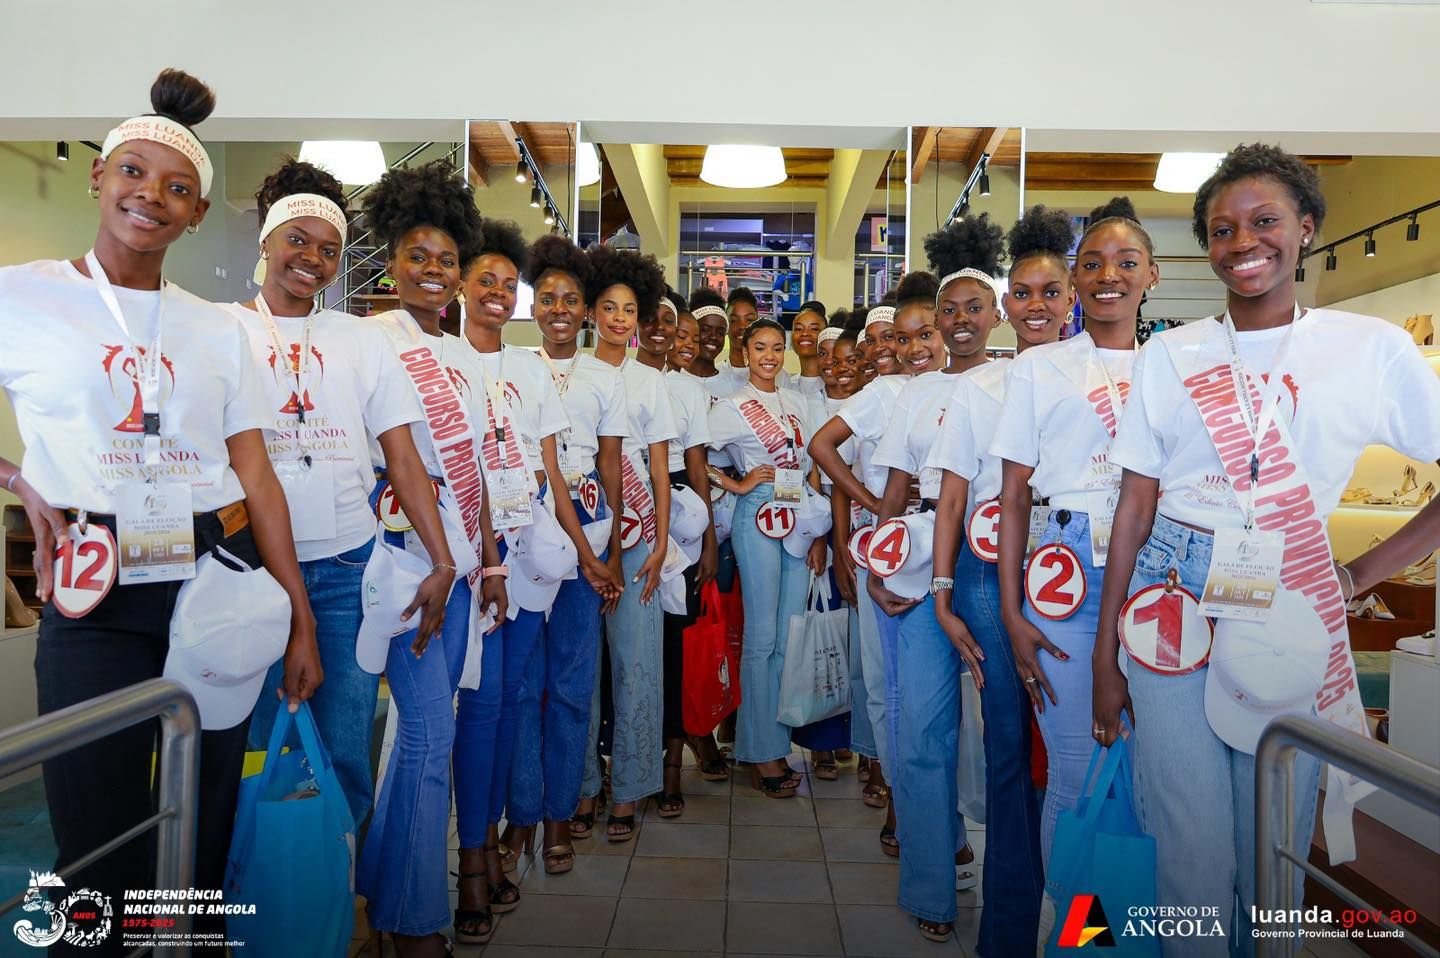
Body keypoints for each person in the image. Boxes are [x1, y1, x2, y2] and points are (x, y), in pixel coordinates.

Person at [1093, 144, 1440, 957]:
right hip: (1171, 590)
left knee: (1270, 838)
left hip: (1291, 592)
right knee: (1188, 837)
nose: (1243, 241)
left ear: (1306, 227)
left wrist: (1357, 574)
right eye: (1222, 229)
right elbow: (1135, 504)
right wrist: (1108, 655)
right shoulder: (1170, 353)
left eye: (1265, 221)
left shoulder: (1371, 348)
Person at [0, 69, 318, 955]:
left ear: (198, 212)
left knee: (203, 813)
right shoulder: (22, 295)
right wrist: (21, 482)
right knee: (95, 830)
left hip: (216, 577)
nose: (151, 195)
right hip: (93, 586)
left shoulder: (217, 328)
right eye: (133, 172)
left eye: (177, 187)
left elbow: (258, 478)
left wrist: (298, 616)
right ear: (98, 176)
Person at [230, 158, 476, 958]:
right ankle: (256, 922)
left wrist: (442, 560)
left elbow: (402, 457)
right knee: (253, 757)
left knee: (343, 758)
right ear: (267, 241)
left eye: (329, 249)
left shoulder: (360, 341)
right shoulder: (223, 330)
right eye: (297, 240)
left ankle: (329, 923)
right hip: (248, 574)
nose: (312, 258)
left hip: (344, 575)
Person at [349, 162, 508, 954]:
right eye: (418, 256)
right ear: (391, 262)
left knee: (428, 734)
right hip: (405, 560)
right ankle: (411, 920)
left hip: (462, 559)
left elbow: (477, 463)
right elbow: (394, 456)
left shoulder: (467, 356)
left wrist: (490, 564)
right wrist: (445, 561)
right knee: (423, 736)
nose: (434, 270)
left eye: (447, 259)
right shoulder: (371, 339)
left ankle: (387, 894)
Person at [991, 197, 1152, 935]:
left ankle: (1129, 930)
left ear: (1151, 275)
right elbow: (1013, 494)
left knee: (1145, 774)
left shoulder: (1174, 366)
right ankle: (1077, 936)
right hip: (1064, 574)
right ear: (1076, 281)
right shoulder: (1041, 367)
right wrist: (1011, 612)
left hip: (1154, 569)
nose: (1108, 275)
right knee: (1075, 766)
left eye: (1126, 262)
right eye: (1092, 264)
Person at [927, 205, 1074, 956]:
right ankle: (1009, 935)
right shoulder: (979, 389)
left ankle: (1082, 926)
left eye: (1051, 292)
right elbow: (952, 499)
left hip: (1082, 577)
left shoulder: (1103, 374)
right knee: (1011, 751)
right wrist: (943, 594)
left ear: (1071, 297)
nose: (1036, 306)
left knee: (1079, 755)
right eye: (1022, 293)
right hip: (990, 577)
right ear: (1004, 305)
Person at [869, 232, 1003, 940]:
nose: (960, 320)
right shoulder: (916, 393)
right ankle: (931, 888)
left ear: (995, 314)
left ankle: (1014, 891)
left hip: (996, 562)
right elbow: (896, 486)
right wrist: (876, 563)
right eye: (949, 310)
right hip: (922, 564)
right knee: (922, 730)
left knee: (1005, 734)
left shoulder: (1019, 380)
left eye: (973, 307)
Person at [449, 218, 571, 933]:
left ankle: (492, 847)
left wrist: (581, 554)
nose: (497, 292)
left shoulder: (530, 369)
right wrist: (488, 553)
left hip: (529, 560)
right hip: (469, 556)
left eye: (507, 284)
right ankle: (471, 860)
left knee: (504, 703)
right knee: (479, 705)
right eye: (484, 280)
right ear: (462, 285)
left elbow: (551, 469)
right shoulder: (440, 359)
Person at [504, 235, 626, 874]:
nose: (558, 309)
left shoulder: (607, 376)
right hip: (525, 524)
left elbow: (612, 465)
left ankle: (559, 815)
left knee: (574, 684)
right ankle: (522, 815)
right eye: (547, 298)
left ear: (585, 309)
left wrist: (615, 549)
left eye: (570, 299)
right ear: (534, 306)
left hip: (590, 530)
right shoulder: (511, 365)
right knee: (523, 683)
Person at [808, 298, 917, 845]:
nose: (884, 348)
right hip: (885, 546)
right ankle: (896, 792)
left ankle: (927, 799)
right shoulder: (874, 396)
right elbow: (824, 452)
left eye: (893, 337)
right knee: (882, 677)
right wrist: (875, 506)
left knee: (926, 683)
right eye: (872, 341)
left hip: (939, 543)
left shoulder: (940, 387)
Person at [708, 318, 827, 795]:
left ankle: (775, 744)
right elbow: (697, 456)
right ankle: (759, 753)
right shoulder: (731, 405)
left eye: (777, 348)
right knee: (760, 638)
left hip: (799, 513)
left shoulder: (798, 401)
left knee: (787, 637)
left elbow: (812, 467)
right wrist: (735, 483)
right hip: (757, 514)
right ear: (745, 350)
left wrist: (818, 532)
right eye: (760, 347)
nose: (770, 356)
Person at [583, 246, 677, 841]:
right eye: (609, 308)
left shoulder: (650, 381)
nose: (619, 318)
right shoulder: (567, 370)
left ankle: (631, 785)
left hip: (639, 535)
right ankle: (583, 784)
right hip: (578, 532)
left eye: (629, 310)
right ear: (592, 312)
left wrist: (661, 541)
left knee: (637, 661)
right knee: (581, 666)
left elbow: (660, 467)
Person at [636, 289, 719, 817]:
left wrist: (708, 541)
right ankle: (624, 762)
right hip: (625, 514)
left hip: (681, 525)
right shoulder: (618, 377)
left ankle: (670, 766)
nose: (660, 328)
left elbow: (696, 466)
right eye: (651, 318)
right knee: (625, 650)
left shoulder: (688, 389)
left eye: (669, 321)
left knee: (673, 647)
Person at [791, 299, 828, 397]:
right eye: (798, 329)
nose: (805, 333)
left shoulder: (836, 388)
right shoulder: (785, 386)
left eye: (814, 329)